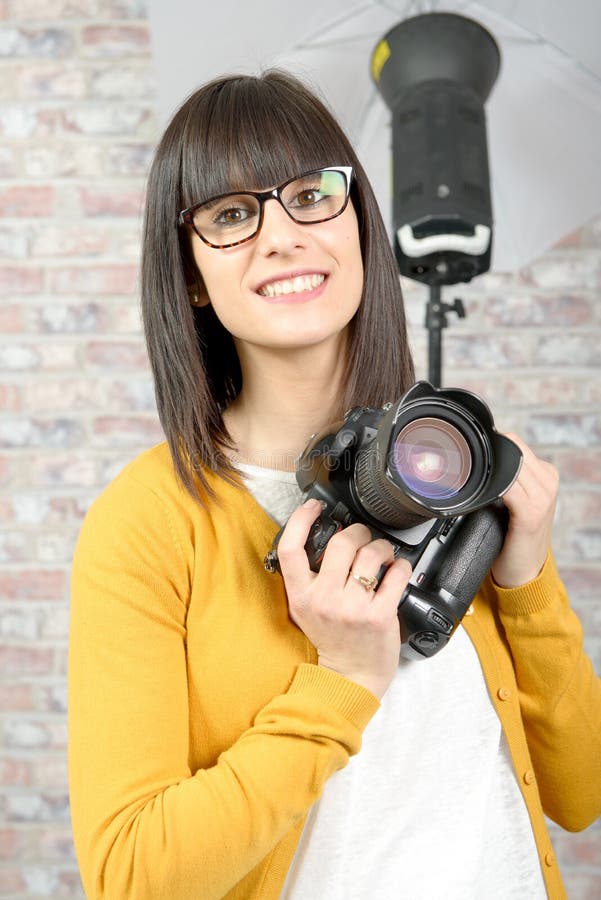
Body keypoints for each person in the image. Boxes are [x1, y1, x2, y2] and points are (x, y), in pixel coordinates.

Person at [68, 70, 601, 900]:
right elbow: (132, 877)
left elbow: (581, 794)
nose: (282, 236)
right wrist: (345, 680)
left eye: (312, 194)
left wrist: (526, 580)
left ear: (357, 225)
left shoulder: (447, 465)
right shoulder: (149, 523)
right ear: (193, 278)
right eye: (232, 214)